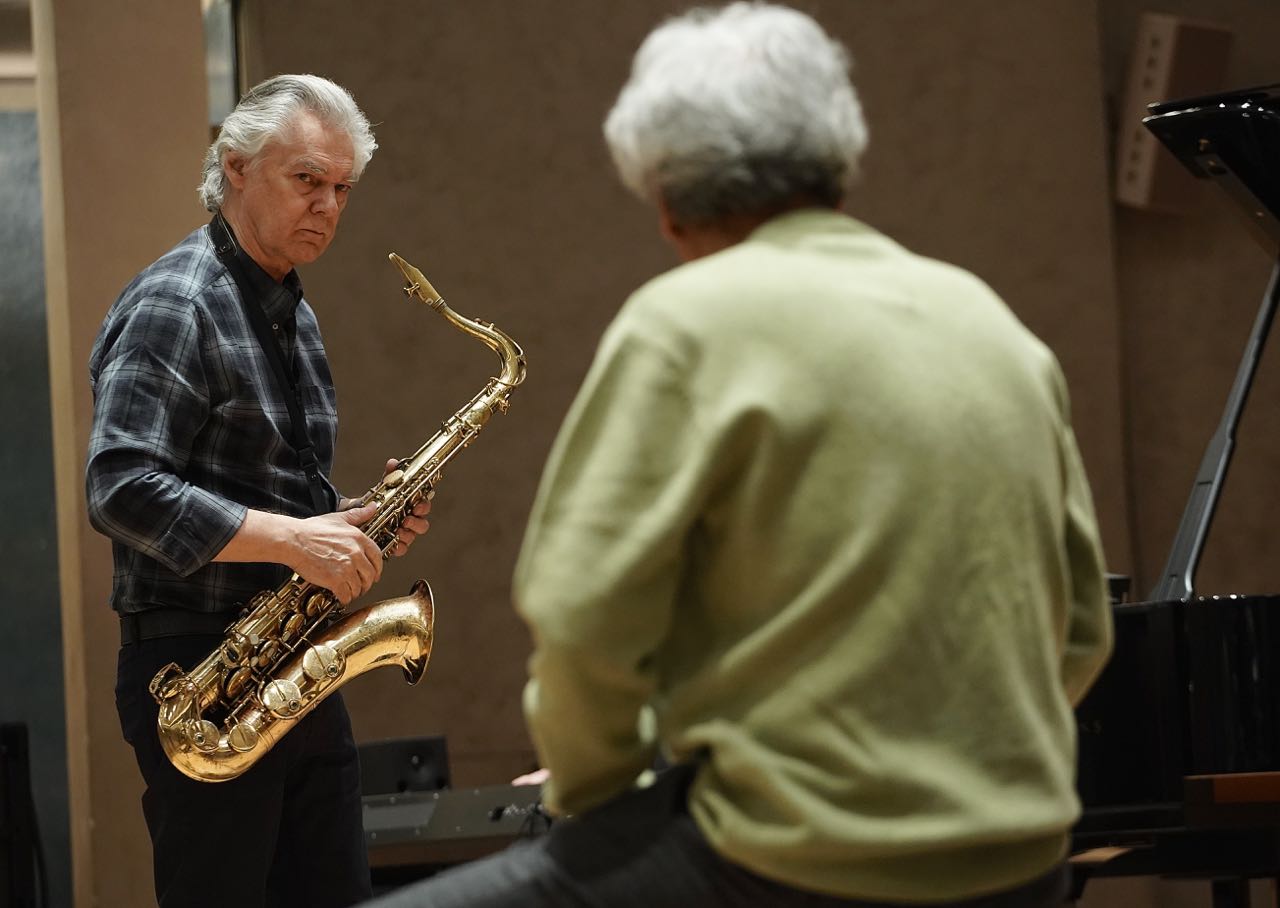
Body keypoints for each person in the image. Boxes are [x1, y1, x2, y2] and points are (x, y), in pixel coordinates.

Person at [363, 3, 1112, 907]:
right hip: (1022, 866)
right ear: (840, 158)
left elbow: (583, 618)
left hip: (784, 871)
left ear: (668, 199)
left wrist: (602, 798)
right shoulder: (995, 327)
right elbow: (1081, 631)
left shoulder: (684, 325)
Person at [87, 74, 432, 908]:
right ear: (236, 166)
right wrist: (294, 540)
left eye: (342, 187)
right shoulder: (179, 300)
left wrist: (353, 525)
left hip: (291, 660)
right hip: (201, 673)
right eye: (307, 179)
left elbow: (267, 495)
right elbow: (121, 487)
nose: (328, 206)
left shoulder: (291, 315)